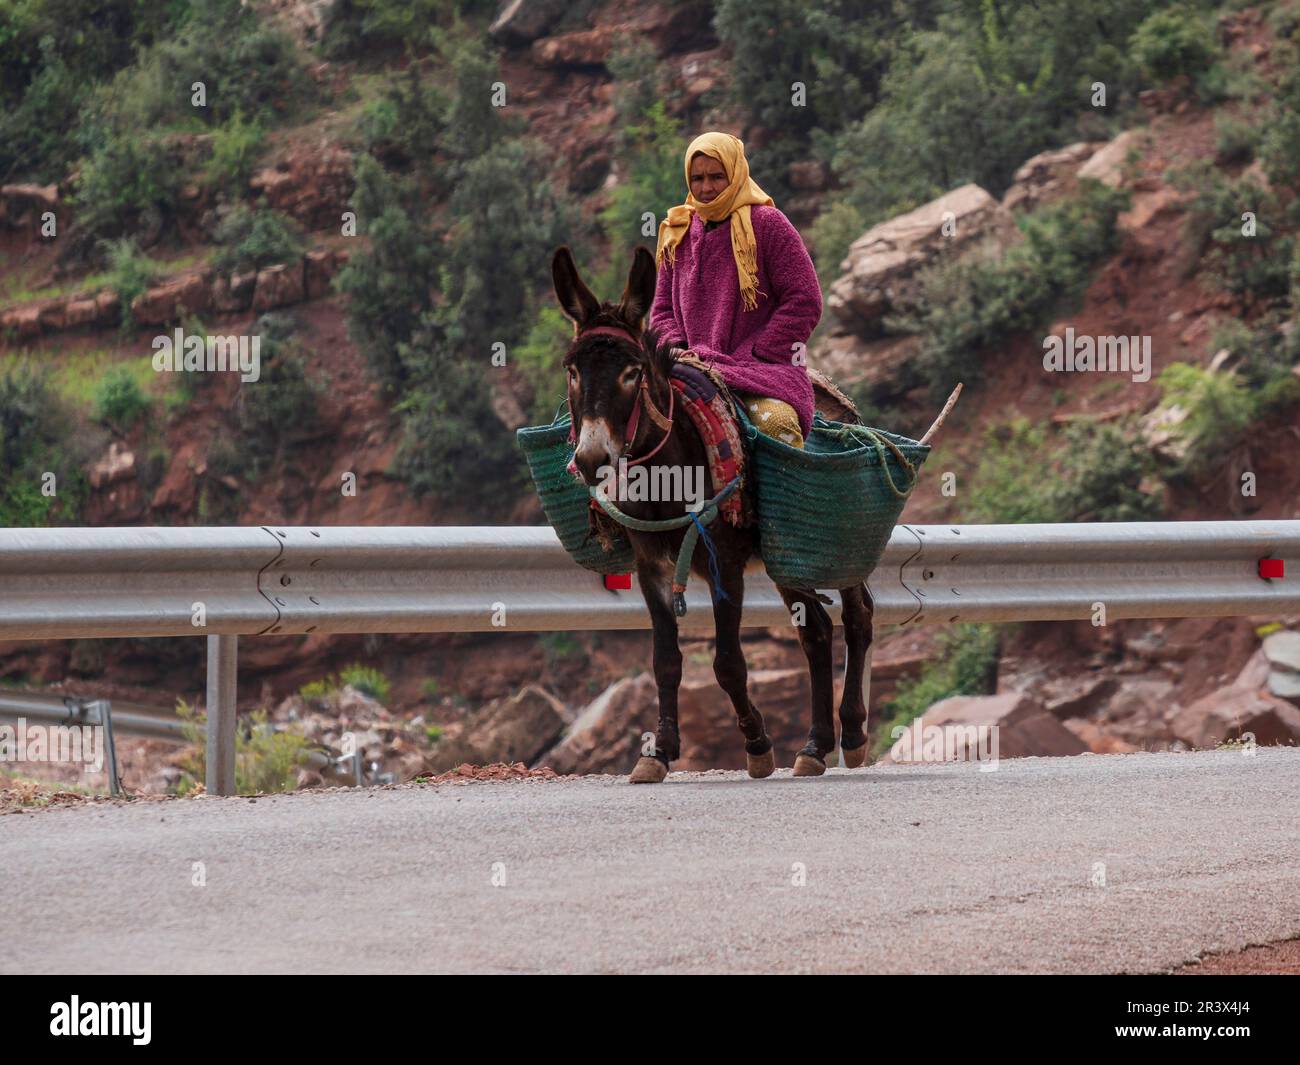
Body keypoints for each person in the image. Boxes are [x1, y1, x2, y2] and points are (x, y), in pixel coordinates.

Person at [649, 130, 822, 448]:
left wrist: (758, 352)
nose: (706, 187)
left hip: (760, 372)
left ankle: (783, 498)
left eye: (717, 176)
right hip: (689, 369)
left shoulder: (768, 224)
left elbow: (805, 299)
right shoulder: (677, 231)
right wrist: (677, 350)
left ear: (736, 174)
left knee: (778, 426)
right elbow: (660, 310)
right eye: (697, 177)